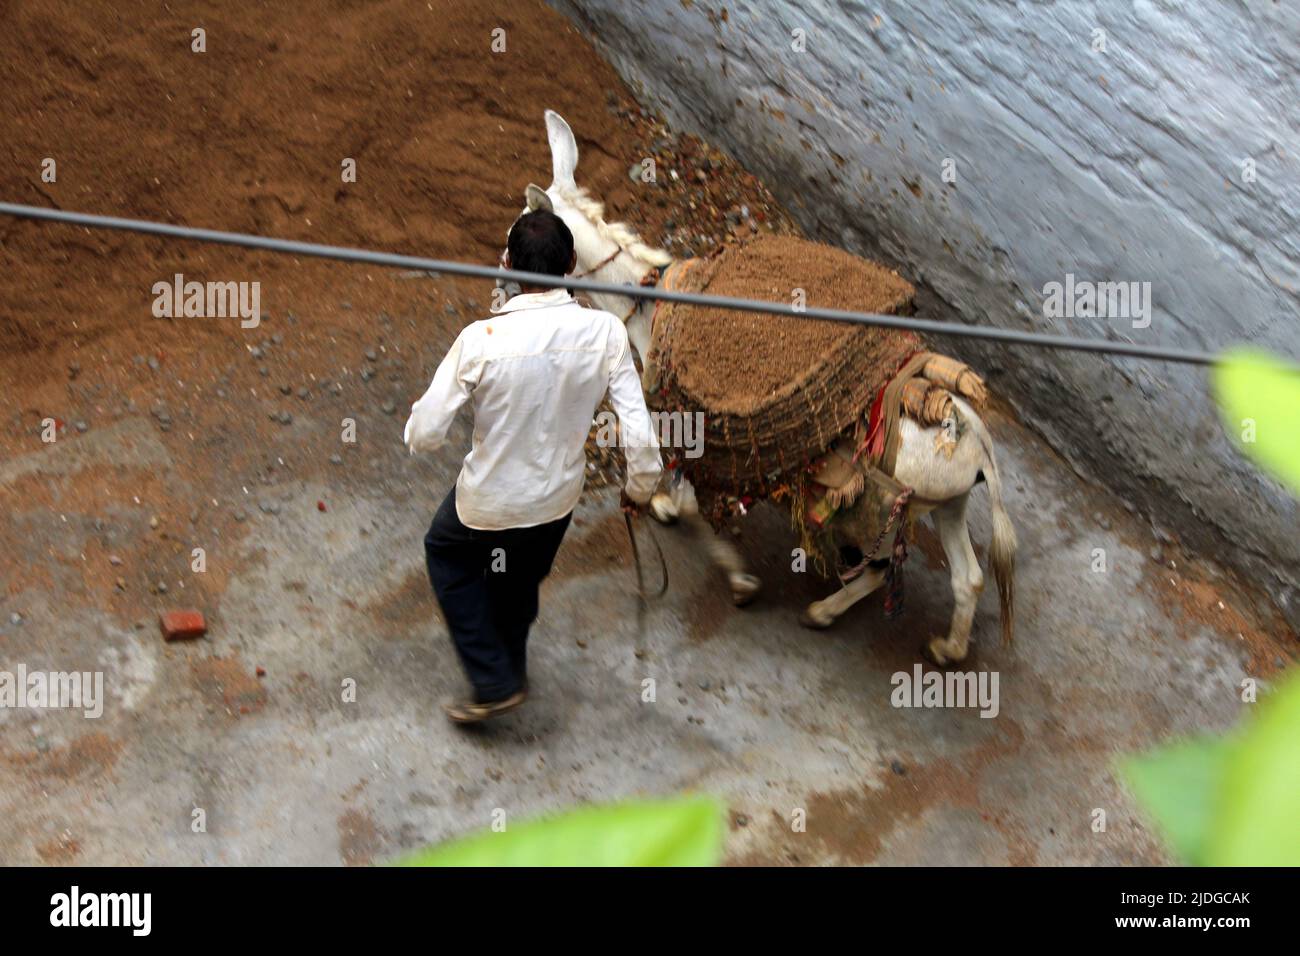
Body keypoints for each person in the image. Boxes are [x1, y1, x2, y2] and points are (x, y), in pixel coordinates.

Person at [404, 209, 663, 724]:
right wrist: (639, 490)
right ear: (570, 263)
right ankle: (510, 669)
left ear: (506, 263)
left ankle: (493, 678)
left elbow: (425, 434)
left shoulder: (481, 340)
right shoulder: (608, 334)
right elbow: (641, 438)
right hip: (555, 503)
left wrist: (418, 432)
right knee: (518, 578)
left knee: (447, 555)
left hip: (486, 503)